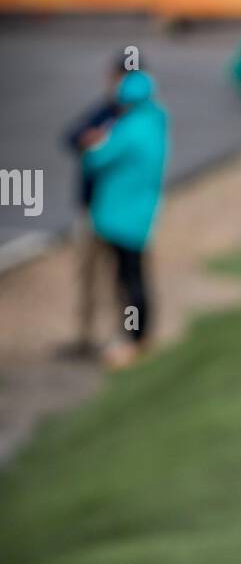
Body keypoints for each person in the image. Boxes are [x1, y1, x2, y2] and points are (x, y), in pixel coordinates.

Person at [80, 69, 169, 369]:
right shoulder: (156, 121)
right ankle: (140, 338)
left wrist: (95, 142)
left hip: (120, 217)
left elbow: (95, 158)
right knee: (136, 278)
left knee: (128, 281)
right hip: (141, 213)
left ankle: (133, 340)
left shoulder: (130, 128)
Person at [58, 52, 129, 357]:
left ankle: (123, 339)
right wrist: (89, 138)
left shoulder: (140, 117)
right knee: (86, 275)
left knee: (122, 278)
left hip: (122, 212)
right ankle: (84, 337)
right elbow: (71, 136)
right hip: (91, 210)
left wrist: (104, 143)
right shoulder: (103, 111)